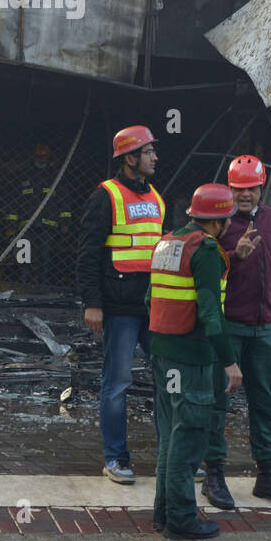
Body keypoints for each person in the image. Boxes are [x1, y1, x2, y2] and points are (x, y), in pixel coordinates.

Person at [203, 155, 271, 511]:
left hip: (264, 330)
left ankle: (267, 475)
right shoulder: (219, 223)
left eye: (250, 189)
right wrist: (235, 254)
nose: (244, 195)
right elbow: (206, 270)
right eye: (237, 189)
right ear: (229, 188)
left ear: (262, 188)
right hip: (228, 327)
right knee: (218, 402)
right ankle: (213, 474)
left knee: (264, 402)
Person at [147, 183, 242, 540]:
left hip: (163, 354)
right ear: (219, 220)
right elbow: (210, 314)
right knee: (188, 440)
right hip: (191, 360)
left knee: (171, 437)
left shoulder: (167, 242)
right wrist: (229, 362)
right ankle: (182, 520)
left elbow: (149, 299)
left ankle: (164, 513)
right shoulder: (205, 251)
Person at [76, 125, 165, 484]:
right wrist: (92, 303)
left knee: (168, 380)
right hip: (118, 308)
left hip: (154, 307)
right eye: (148, 152)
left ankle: (172, 458)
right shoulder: (105, 197)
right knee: (117, 383)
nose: (155, 157)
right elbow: (87, 254)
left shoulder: (156, 197)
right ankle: (116, 459)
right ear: (130, 158)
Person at [3, 143, 73, 284]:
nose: (41, 156)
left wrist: (65, 223)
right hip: (24, 226)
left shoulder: (56, 176)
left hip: (48, 225)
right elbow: (13, 202)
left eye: (44, 153)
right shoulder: (23, 176)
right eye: (39, 152)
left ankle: (42, 284)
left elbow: (64, 201)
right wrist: (11, 225)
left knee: (45, 258)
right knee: (23, 257)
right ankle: (23, 282)